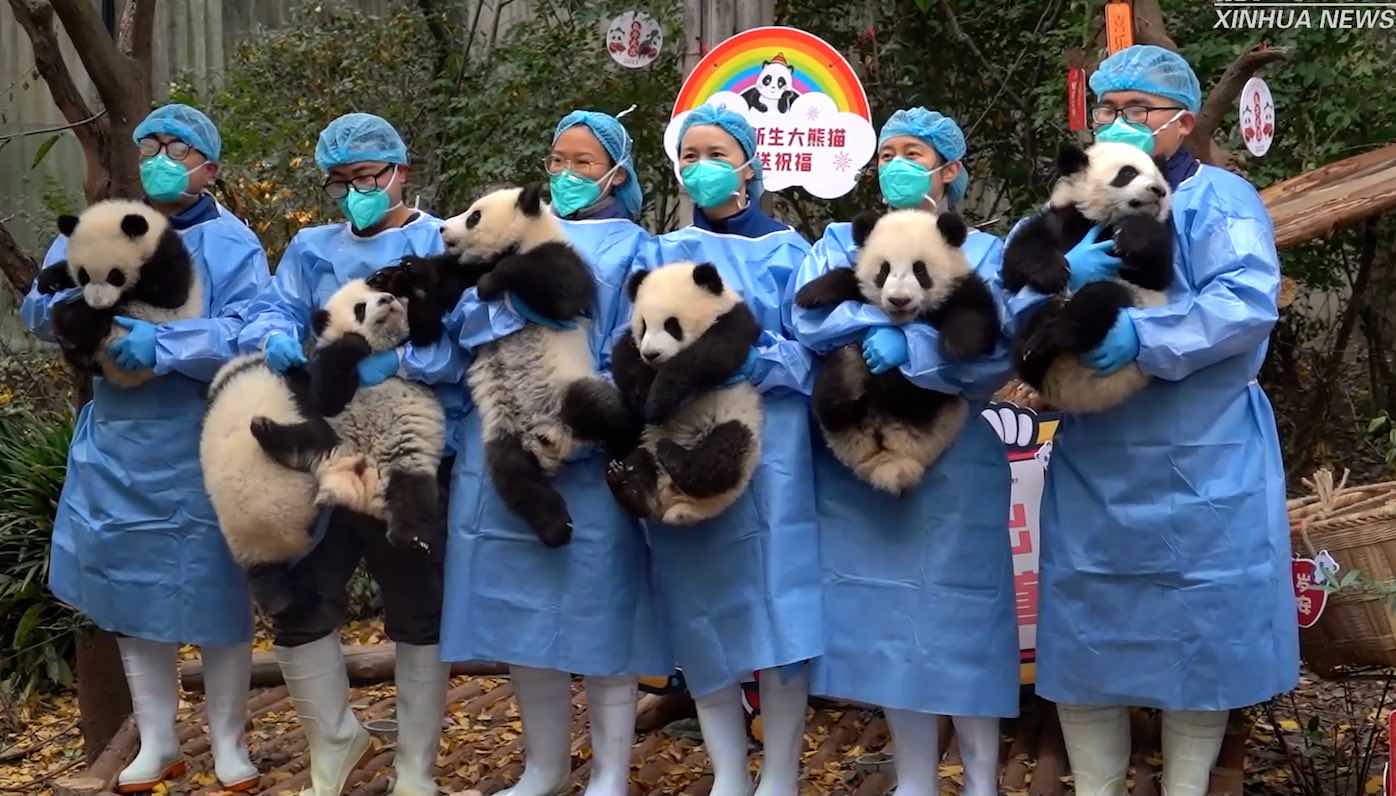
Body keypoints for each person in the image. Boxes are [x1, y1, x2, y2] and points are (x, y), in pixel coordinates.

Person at [1009, 45, 1298, 796]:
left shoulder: (1221, 200)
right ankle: (1098, 786)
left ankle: (1188, 785)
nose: (1121, 123)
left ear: (1180, 120)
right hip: (1099, 462)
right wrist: (1065, 277)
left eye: (1138, 111)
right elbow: (1012, 298)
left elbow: (1244, 303)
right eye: (1109, 110)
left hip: (1204, 461)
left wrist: (1148, 337)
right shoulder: (1078, 205)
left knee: (1199, 640)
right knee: (1088, 641)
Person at [21, 103, 267, 793]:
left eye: (177, 148)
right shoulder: (105, 226)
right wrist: (77, 306)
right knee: (131, 597)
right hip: (120, 442)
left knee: (215, 594)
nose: (160, 159)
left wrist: (170, 343)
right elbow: (39, 310)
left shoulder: (231, 243)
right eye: (150, 146)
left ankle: (228, 742)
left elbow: (254, 326)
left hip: (200, 437)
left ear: (208, 167)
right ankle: (157, 741)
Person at [440, 109, 669, 796]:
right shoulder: (506, 231)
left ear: (617, 173)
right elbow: (459, 321)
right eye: (558, 159)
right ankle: (542, 767)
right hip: (507, 444)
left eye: (585, 162)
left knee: (604, 619)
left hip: (592, 449)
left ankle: (609, 773)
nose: (567, 174)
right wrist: (509, 308)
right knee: (519, 618)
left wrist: (590, 411)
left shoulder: (639, 248)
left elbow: (643, 337)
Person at [789, 108, 1018, 796]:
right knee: (891, 634)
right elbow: (803, 317)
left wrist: (914, 348)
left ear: (949, 169)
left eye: (913, 152)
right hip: (862, 473)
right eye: (886, 152)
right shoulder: (840, 238)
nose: (895, 164)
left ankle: (982, 782)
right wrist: (873, 319)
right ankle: (915, 779)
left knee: (966, 629)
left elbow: (997, 347)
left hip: (958, 470)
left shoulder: (984, 252)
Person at [236, 112, 463, 796]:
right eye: (342, 182)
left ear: (402, 170)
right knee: (299, 595)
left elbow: (464, 343)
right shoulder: (310, 247)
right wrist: (275, 336)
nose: (356, 192)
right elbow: (272, 309)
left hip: (410, 450)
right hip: (324, 447)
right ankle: (333, 743)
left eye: (368, 177)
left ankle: (416, 768)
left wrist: (403, 362)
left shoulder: (441, 245)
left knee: (419, 608)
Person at [640, 104, 821, 796]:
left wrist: (754, 360)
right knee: (698, 610)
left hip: (770, 455)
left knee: (777, 609)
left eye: (716, 152)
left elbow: (813, 358)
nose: (700, 168)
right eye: (689, 156)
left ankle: (778, 773)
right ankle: (727, 774)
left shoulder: (789, 254)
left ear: (750, 162)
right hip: (681, 447)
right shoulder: (660, 253)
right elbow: (628, 343)